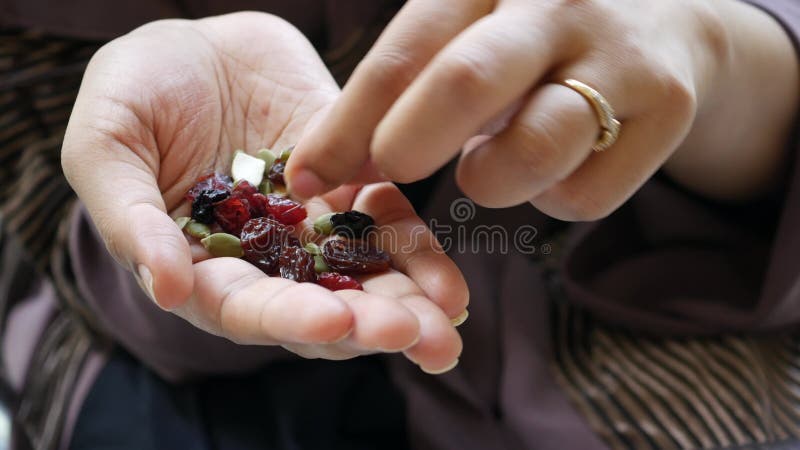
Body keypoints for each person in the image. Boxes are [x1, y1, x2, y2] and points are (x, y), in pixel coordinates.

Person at [2, 0, 800, 449]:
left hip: (661, 277)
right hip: (168, 379)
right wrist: (146, 252)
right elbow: (51, 249)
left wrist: (714, 43)